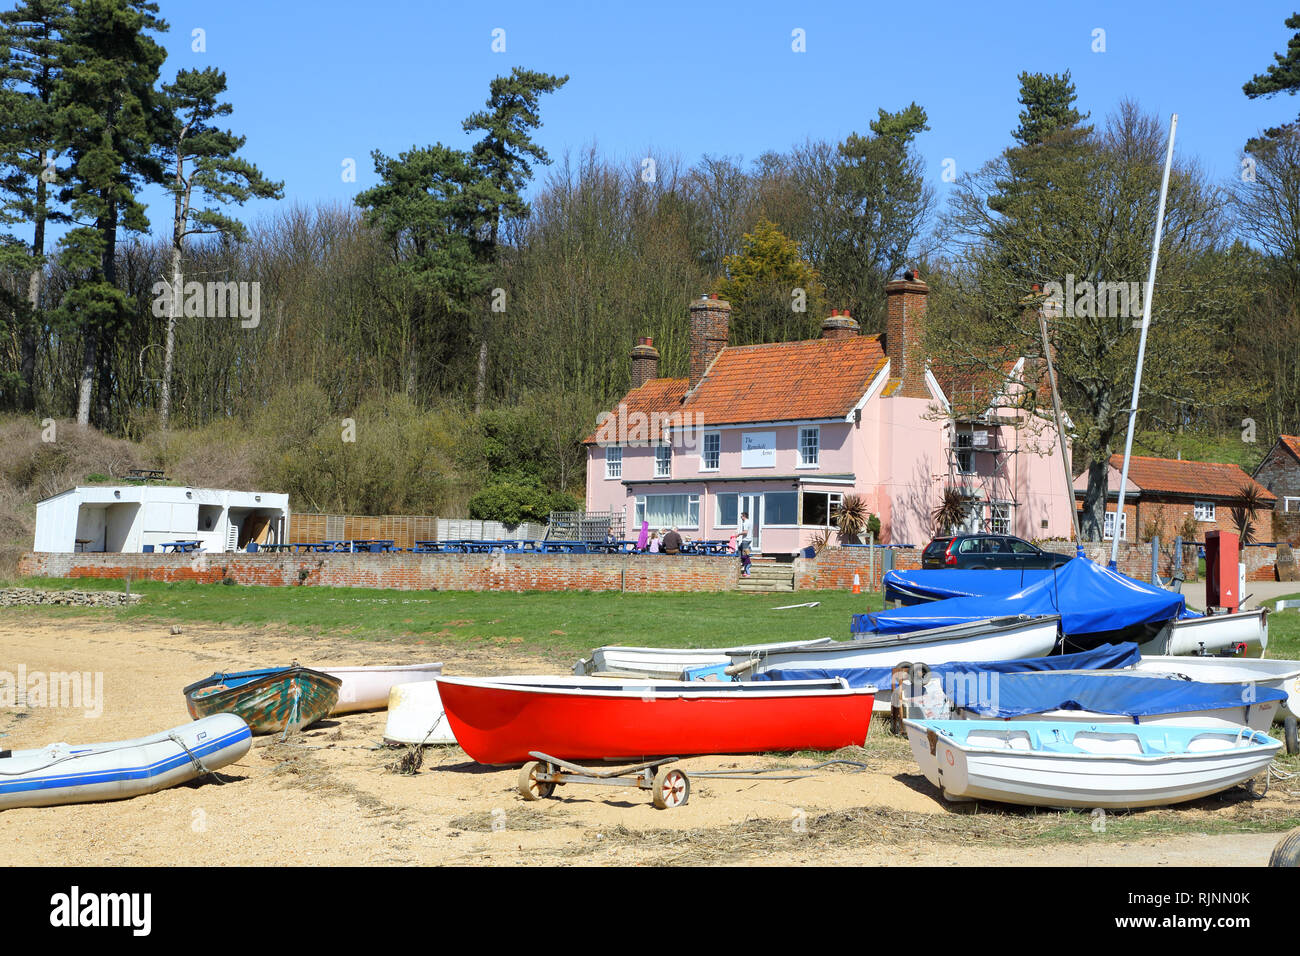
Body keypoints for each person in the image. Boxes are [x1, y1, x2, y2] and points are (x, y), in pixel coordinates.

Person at [737, 511, 753, 576]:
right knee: (739, 548)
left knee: (745, 555)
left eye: (741, 516)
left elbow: (745, 532)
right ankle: (744, 562)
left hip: (746, 540)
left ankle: (747, 568)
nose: (740, 517)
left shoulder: (745, 523)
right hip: (749, 539)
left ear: (744, 516)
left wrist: (738, 534)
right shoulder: (749, 522)